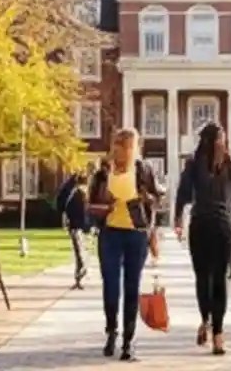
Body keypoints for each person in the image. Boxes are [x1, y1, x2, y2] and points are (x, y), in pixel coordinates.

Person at [173, 122, 231, 356]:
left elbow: (183, 195)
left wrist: (177, 220)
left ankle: (205, 320)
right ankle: (218, 333)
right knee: (220, 279)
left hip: (200, 225)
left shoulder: (193, 165)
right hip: (224, 226)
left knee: (202, 278)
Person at [87, 129, 162, 362]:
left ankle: (129, 340)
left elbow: (156, 198)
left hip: (136, 235)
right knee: (111, 286)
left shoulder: (142, 170)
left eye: (130, 146)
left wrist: (146, 199)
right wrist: (105, 204)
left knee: (132, 287)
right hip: (110, 233)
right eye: (120, 145)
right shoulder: (102, 172)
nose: (125, 151)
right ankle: (111, 332)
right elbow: (90, 203)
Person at [56, 168, 91, 289]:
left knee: (80, 251)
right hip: (77, 227)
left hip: (75, 227)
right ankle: (80, 274)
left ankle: (79, 275)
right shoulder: (79, 195)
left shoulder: (72, 192)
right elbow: (81, 212)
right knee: (80, 252)